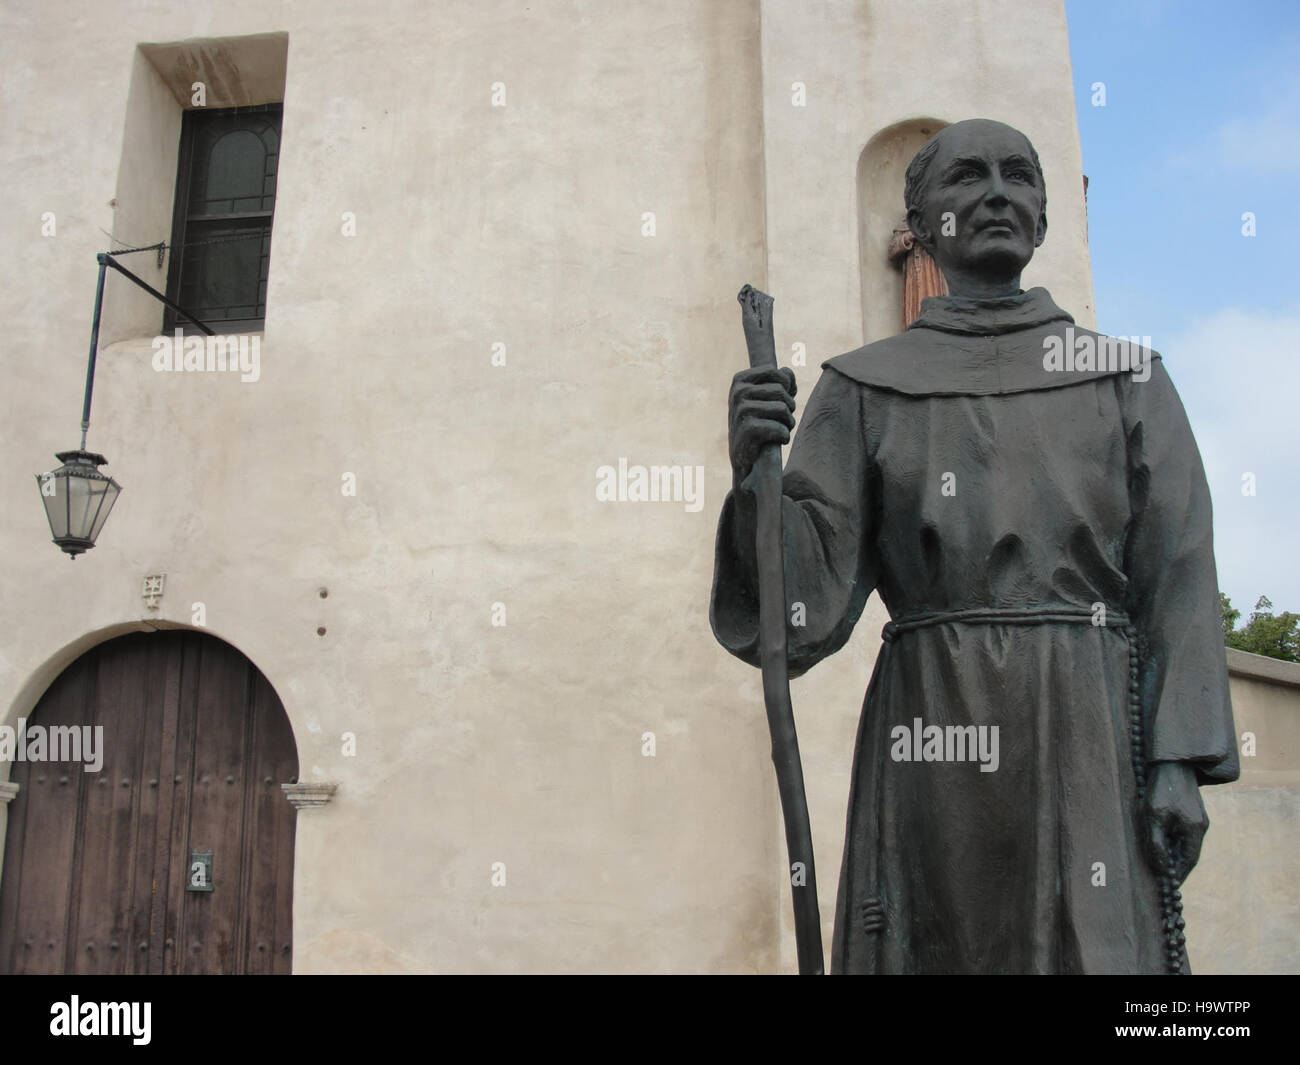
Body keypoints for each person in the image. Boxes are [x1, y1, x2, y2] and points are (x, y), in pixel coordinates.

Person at [710, 119, 1239, 974]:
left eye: (1019, 176)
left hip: (1089, 720)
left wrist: (1177, 759)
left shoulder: (1126, 379)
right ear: (921, 223)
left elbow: (1178, 575)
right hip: (930, 718)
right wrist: (753, 481)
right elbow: (798, 611)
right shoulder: (862, 386)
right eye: (968, 177)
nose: (998, 192)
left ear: (1042, 214)